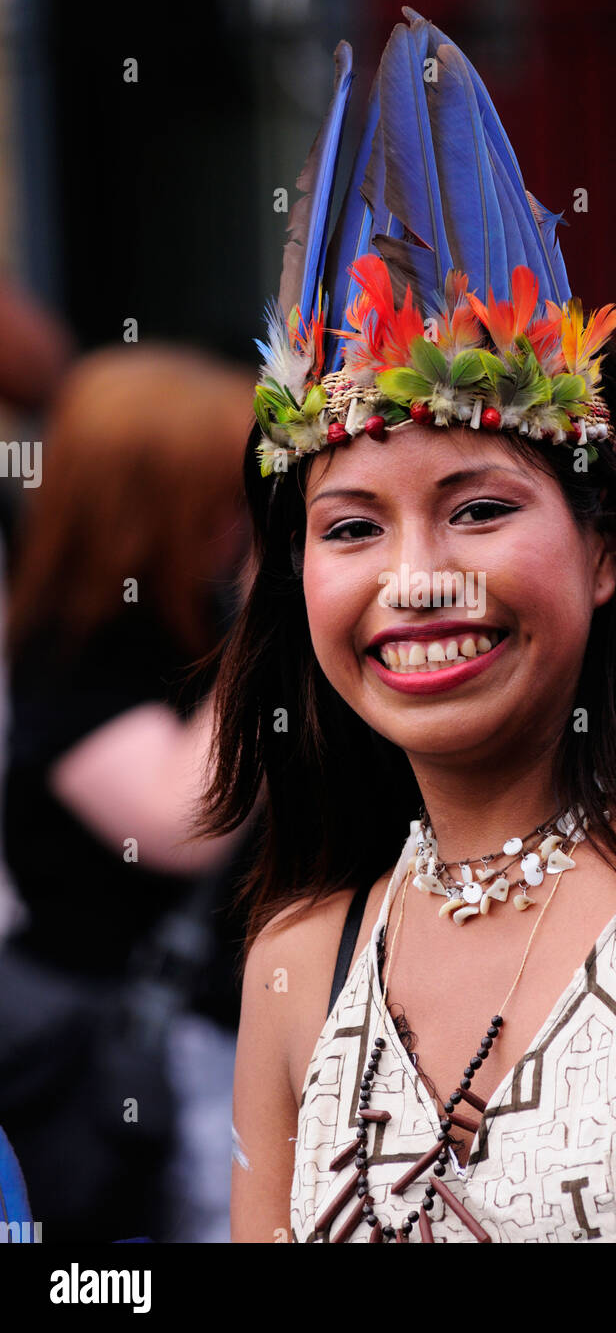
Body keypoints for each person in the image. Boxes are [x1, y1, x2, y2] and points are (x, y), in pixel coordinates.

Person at [208, 9, 616, 1244]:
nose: (418, 580)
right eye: (350, 528)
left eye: (478, 509)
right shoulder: (299, 963)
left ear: (602, 551)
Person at [0, 343, 259, 1242]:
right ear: (154, 503)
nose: (245, 519)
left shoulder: (193, 611)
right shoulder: (72, 650)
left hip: (224, 1026)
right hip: (141, 1038)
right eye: (228, 497)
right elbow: (180, 825)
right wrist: (278, 622)